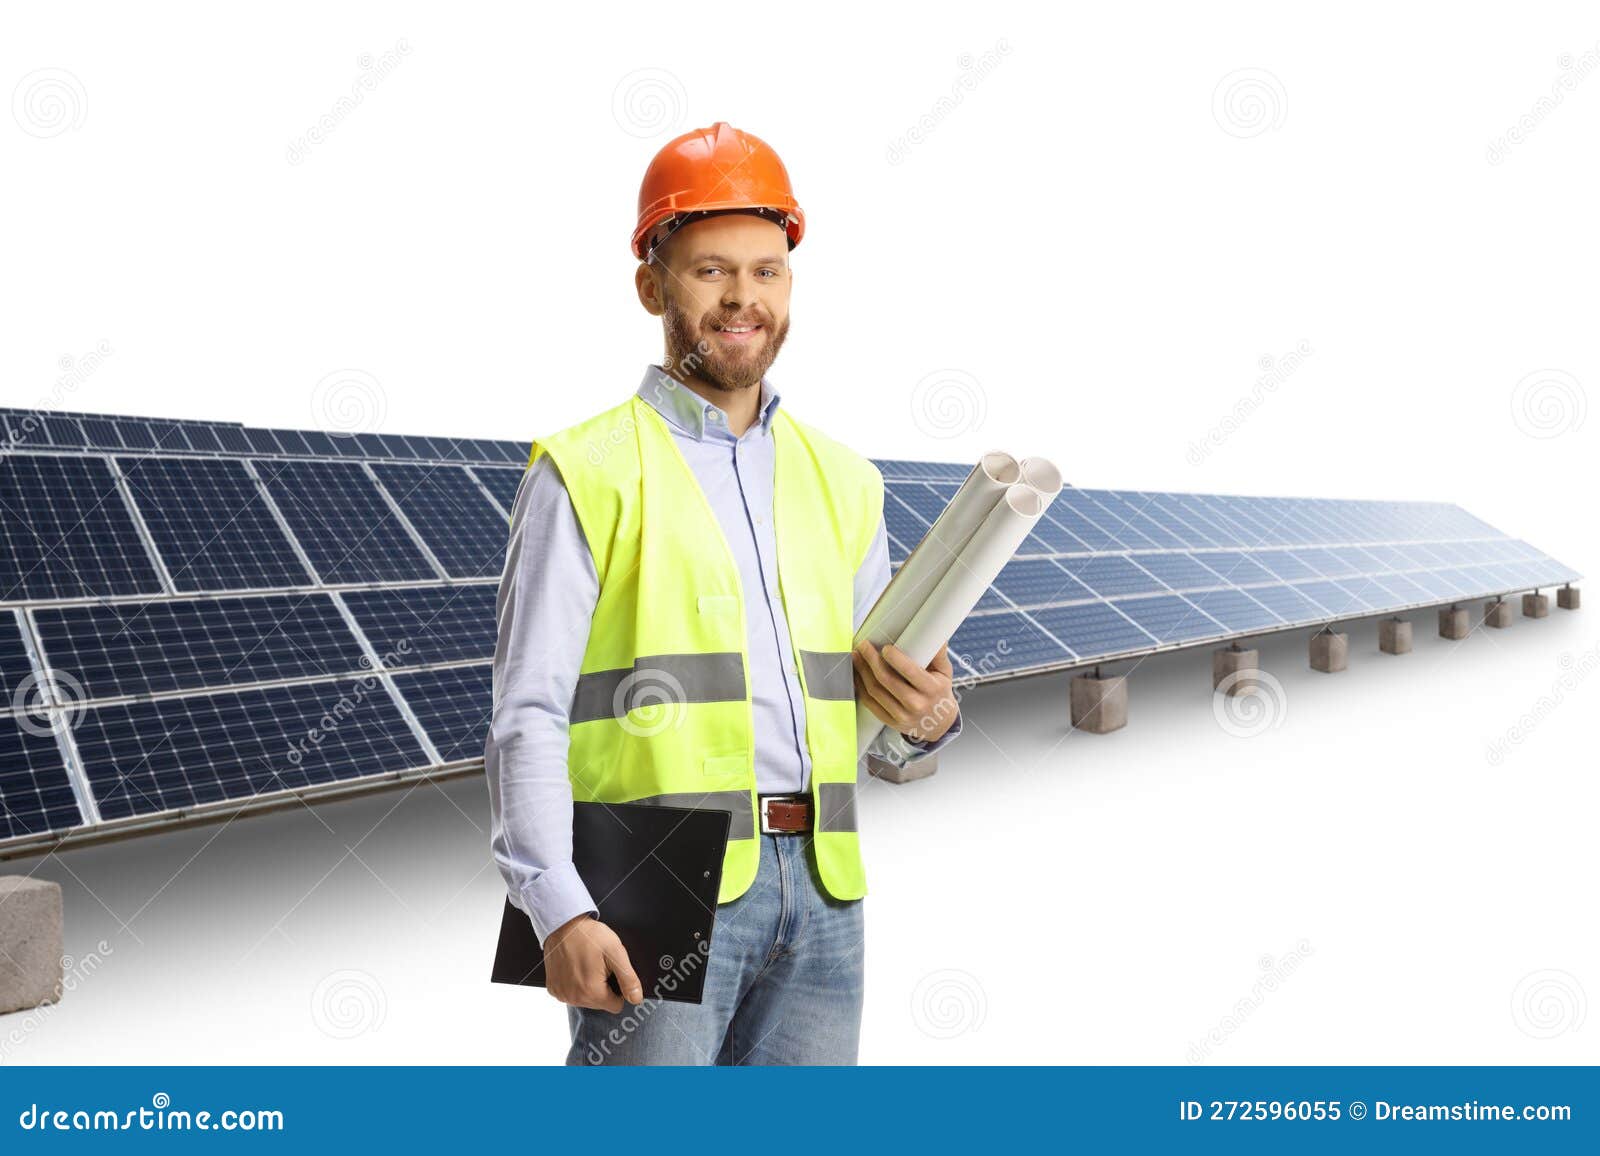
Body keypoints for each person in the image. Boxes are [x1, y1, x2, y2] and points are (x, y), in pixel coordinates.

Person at [485, 121, 962, 1065]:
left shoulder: (844, 478)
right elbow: (526, 713)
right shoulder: (585, 470)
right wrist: (555, 907)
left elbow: (880, 704)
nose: (744, 298)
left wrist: (931, 715)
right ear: (650, 284)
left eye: (768, 270)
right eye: (710, 271)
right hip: (649, 868)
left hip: (825, 878)